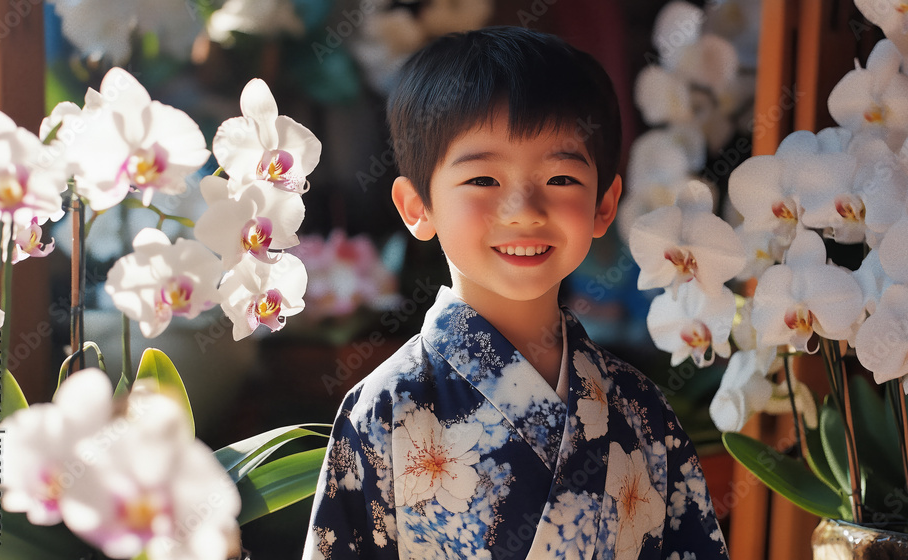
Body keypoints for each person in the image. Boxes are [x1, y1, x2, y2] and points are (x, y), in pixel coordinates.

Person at [303, 26, 729, 560]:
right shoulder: (387, 410)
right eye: (483, 180)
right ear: (417, 207)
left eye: (561, 179)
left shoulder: (642, 411)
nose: (524, 208)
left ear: (604, 204)